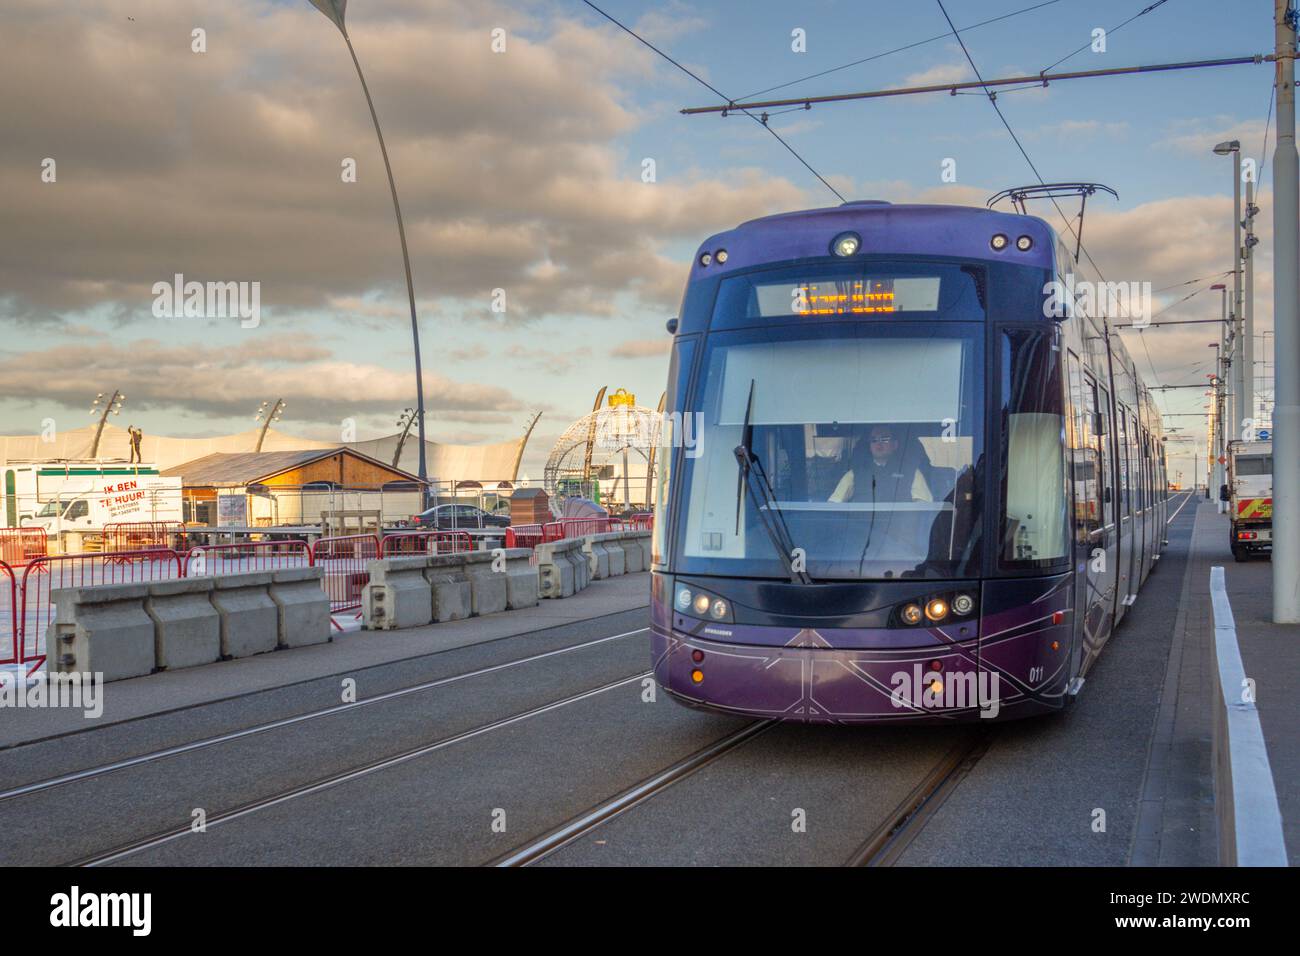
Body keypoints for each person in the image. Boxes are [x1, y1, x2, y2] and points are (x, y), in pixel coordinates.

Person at [828, 424, 934, 504]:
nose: (879, 443)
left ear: (895, 445)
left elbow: (922, 509)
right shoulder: (855, 474)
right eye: (874, 440)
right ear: (870, 446)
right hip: (860, 530)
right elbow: (833, 504)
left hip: (899, 531)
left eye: (884, 439)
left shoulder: (911, 472)